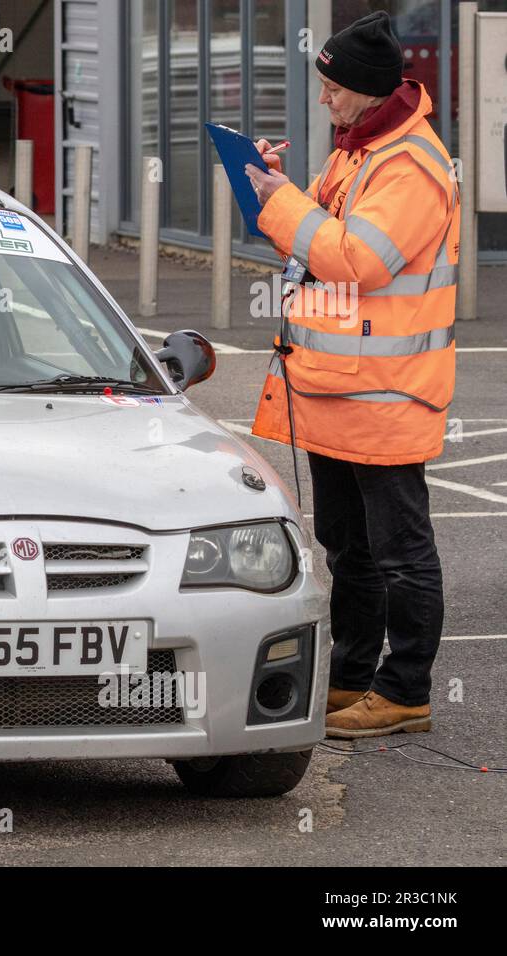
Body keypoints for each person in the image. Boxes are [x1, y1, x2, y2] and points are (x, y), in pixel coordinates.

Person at [243, 11, 457, 738]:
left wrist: (284, 206)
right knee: (349, 544)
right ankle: (353, 677)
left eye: (332, 86)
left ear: (366, 90)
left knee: (400, 549)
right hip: (339, 383)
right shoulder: (360, 147)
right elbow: (318, 237)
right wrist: (276, 190)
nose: (325, 98)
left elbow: (357, 261)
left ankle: (405, 692)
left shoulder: (410, 163)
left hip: (386, 392)